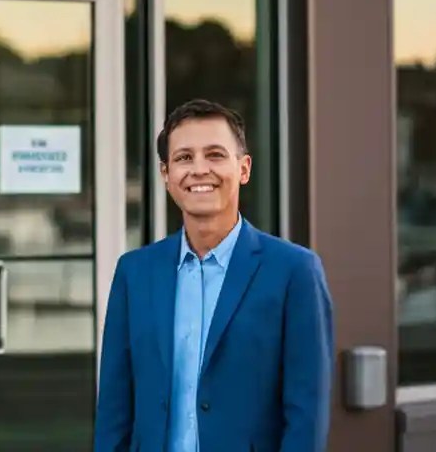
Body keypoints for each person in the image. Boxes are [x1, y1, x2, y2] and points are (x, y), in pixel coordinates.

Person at [94, 99, 334, 452]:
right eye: (184, 158)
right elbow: (114, 407)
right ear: (166, 175)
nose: (199, 169)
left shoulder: (295, 272)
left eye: (216, 155)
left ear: (244, 168)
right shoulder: (135, 272)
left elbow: (306, 415)